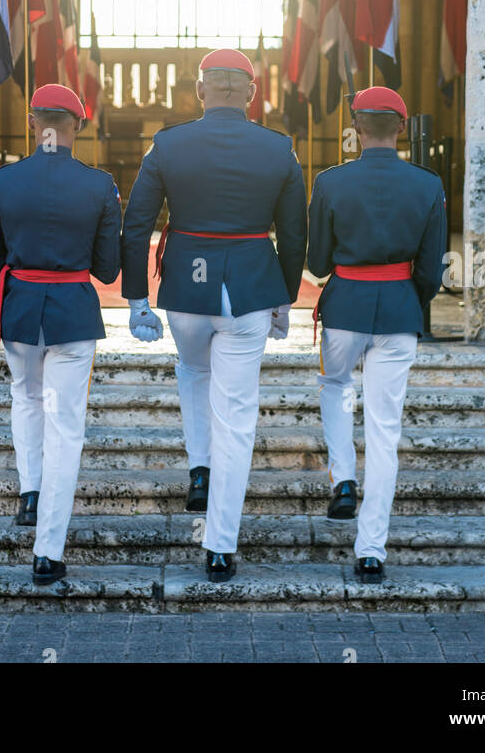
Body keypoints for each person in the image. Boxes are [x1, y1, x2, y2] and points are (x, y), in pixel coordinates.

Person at [121, 48, 307, 582]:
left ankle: (199, 467)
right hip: (250, 289)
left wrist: (136, 299)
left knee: (194, 370)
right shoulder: (280, 150)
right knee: (237, 414)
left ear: (200, 92)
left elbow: (136, 224)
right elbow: (295, 234)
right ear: (252, 93)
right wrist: (285, 296)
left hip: (187, 288)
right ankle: (220, 546)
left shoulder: (168, 144)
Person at [0, 83, 121, 586]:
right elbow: (107, 271)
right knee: (65, 425)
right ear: (77, 126)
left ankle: (31, 492)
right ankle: (48, 551)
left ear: (33, 123)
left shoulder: (0, 182)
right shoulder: (100, 186)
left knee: (26, 398)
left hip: (19, 314)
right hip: (71, 317)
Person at [307, 86, 446, 584]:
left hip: (345, 306)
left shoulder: (330, 182)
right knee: (385, 432)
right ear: (401, 129)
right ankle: (371, 551)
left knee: (336, 387)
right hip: (399, 313)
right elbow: (430, 268)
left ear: (357, 129)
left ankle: (343, 478)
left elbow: (318, 261)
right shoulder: (428, 185)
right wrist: (412, 300)